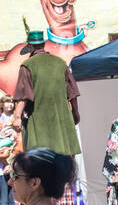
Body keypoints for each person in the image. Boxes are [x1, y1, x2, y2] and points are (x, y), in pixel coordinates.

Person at [10, 30, 82, 158]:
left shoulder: (27, 65)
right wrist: (75, 113)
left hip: (39, 124)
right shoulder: (61, 63)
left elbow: (23, 95)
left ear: (30, 46)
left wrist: (16, 117)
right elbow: (72, 93)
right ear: (43, 44)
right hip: (62, 123)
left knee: (41, 163)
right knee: (66, 165)